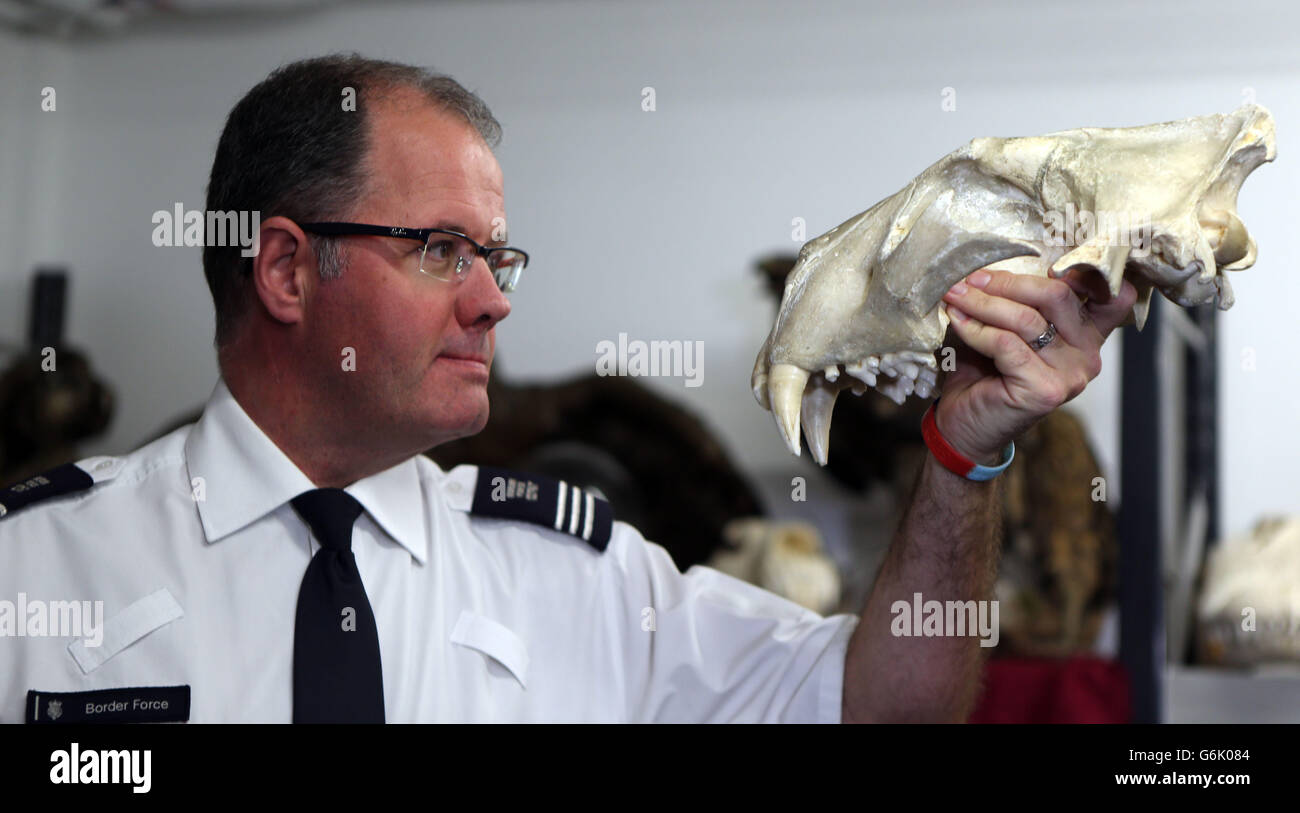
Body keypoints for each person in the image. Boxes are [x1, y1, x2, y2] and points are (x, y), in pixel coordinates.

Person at [0, 54, 1136, 723]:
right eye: (444, 250)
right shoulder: (35, 572)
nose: (494, 301)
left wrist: (961, 455)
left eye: (499, 259)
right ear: (289, 268)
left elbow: (888, 705)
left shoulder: (572, 577)